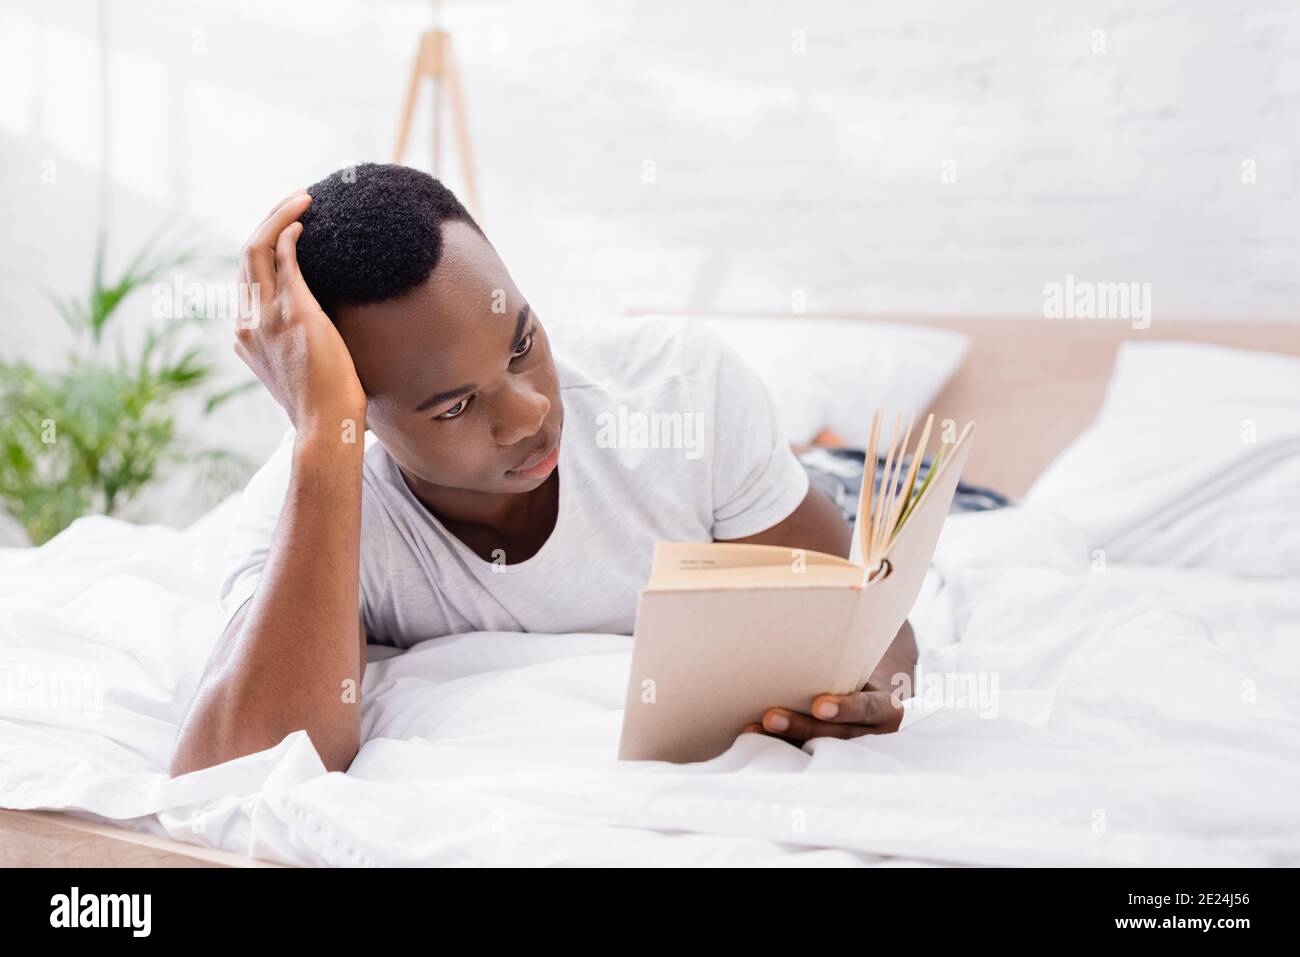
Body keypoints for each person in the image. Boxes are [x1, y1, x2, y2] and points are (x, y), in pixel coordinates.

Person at [169, 164, 915, 776]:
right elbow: (233, 771)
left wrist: (873, 687)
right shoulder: (314, 492)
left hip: (823, 473)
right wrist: (321, 437)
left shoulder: (682, 391)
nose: (527, 415)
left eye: (522, 344)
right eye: (456, 405)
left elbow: (868, 617)